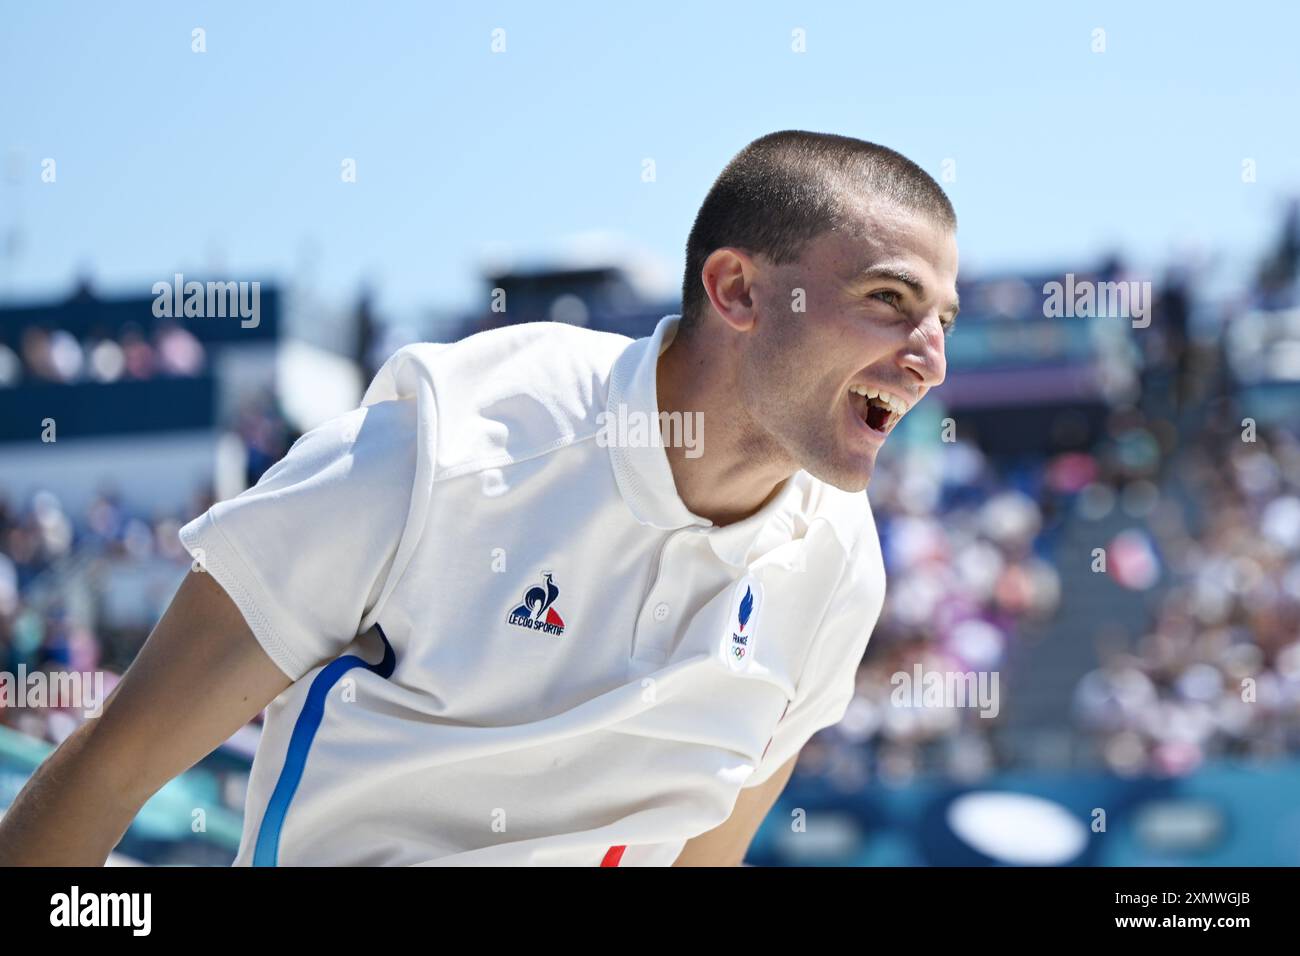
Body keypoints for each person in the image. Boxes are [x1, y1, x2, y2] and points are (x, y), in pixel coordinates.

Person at [0, 130, 958, 867]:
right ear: (739, 290)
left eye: (942, 322)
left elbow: (706, 856)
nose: (930, 361)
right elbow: (112, 768)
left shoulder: (839, 568)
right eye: (889, 299)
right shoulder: (449, 447)